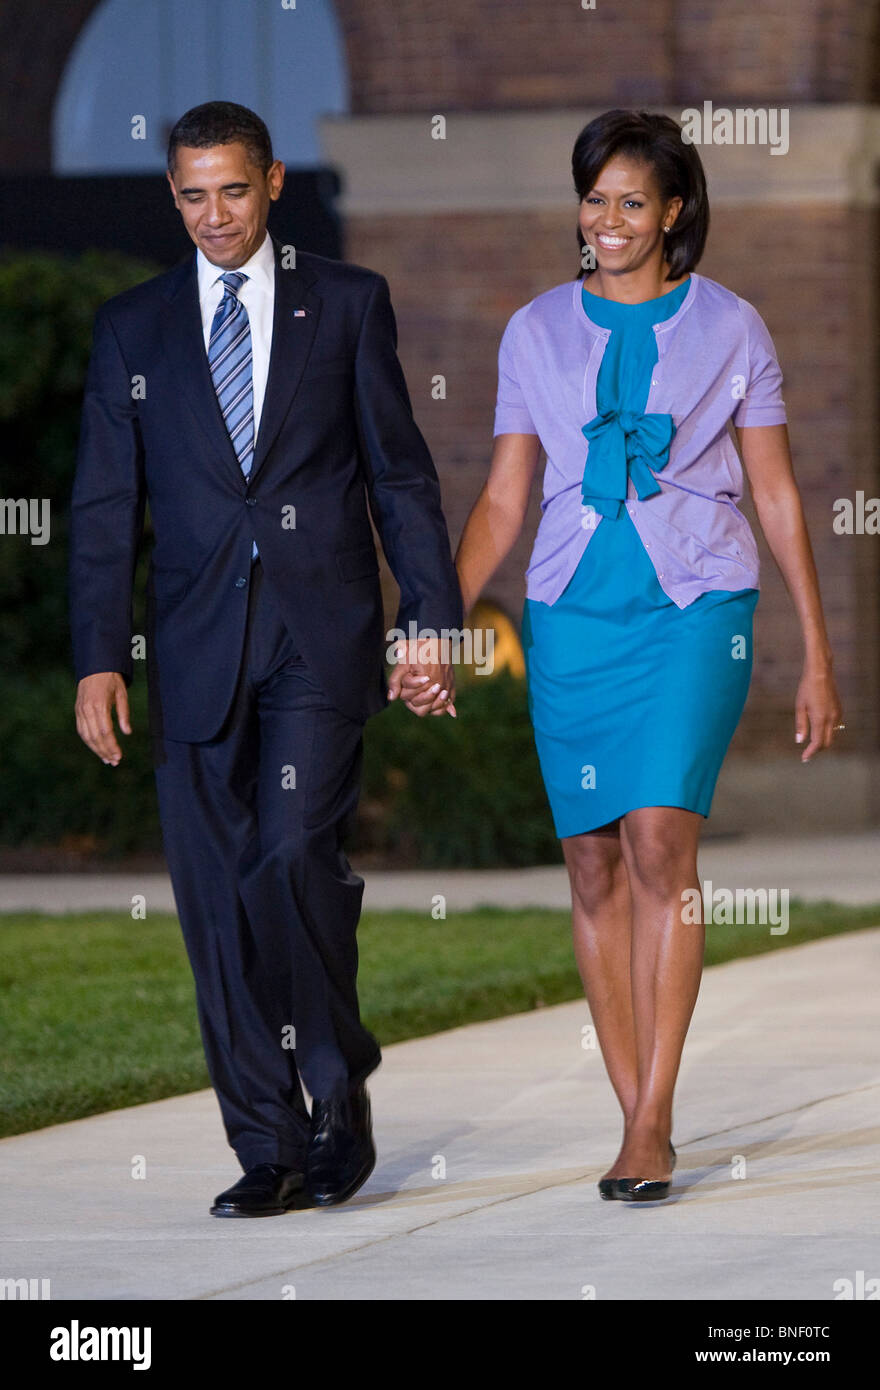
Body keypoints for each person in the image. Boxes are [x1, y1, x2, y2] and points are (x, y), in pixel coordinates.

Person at [420, 108, 844, 1202]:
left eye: (631, 202)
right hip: (572, 614)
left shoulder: (733, 327)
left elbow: (779, 494)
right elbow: (506, 497)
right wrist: (434, 620)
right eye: (595, 198)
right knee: (594, 861)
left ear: (674, 213)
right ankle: (633, 1109)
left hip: (697, 605)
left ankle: (652, 1121)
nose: (608, 218)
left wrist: (817, 652)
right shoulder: (533, 332)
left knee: (659, 838)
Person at [69, 101, 460, 1217]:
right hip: (191, 648)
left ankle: (336, 1087)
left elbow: (397, 473)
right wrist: (99, 656)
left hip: (316, 637)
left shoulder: (345, 303)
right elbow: (104, 507)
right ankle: (267, 1144)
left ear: (274, 181)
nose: (212, 215)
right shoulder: (133, 329)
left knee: (292, 856)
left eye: (231, 190)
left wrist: (424, 616)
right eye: (191, 195)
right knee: (213, 903)